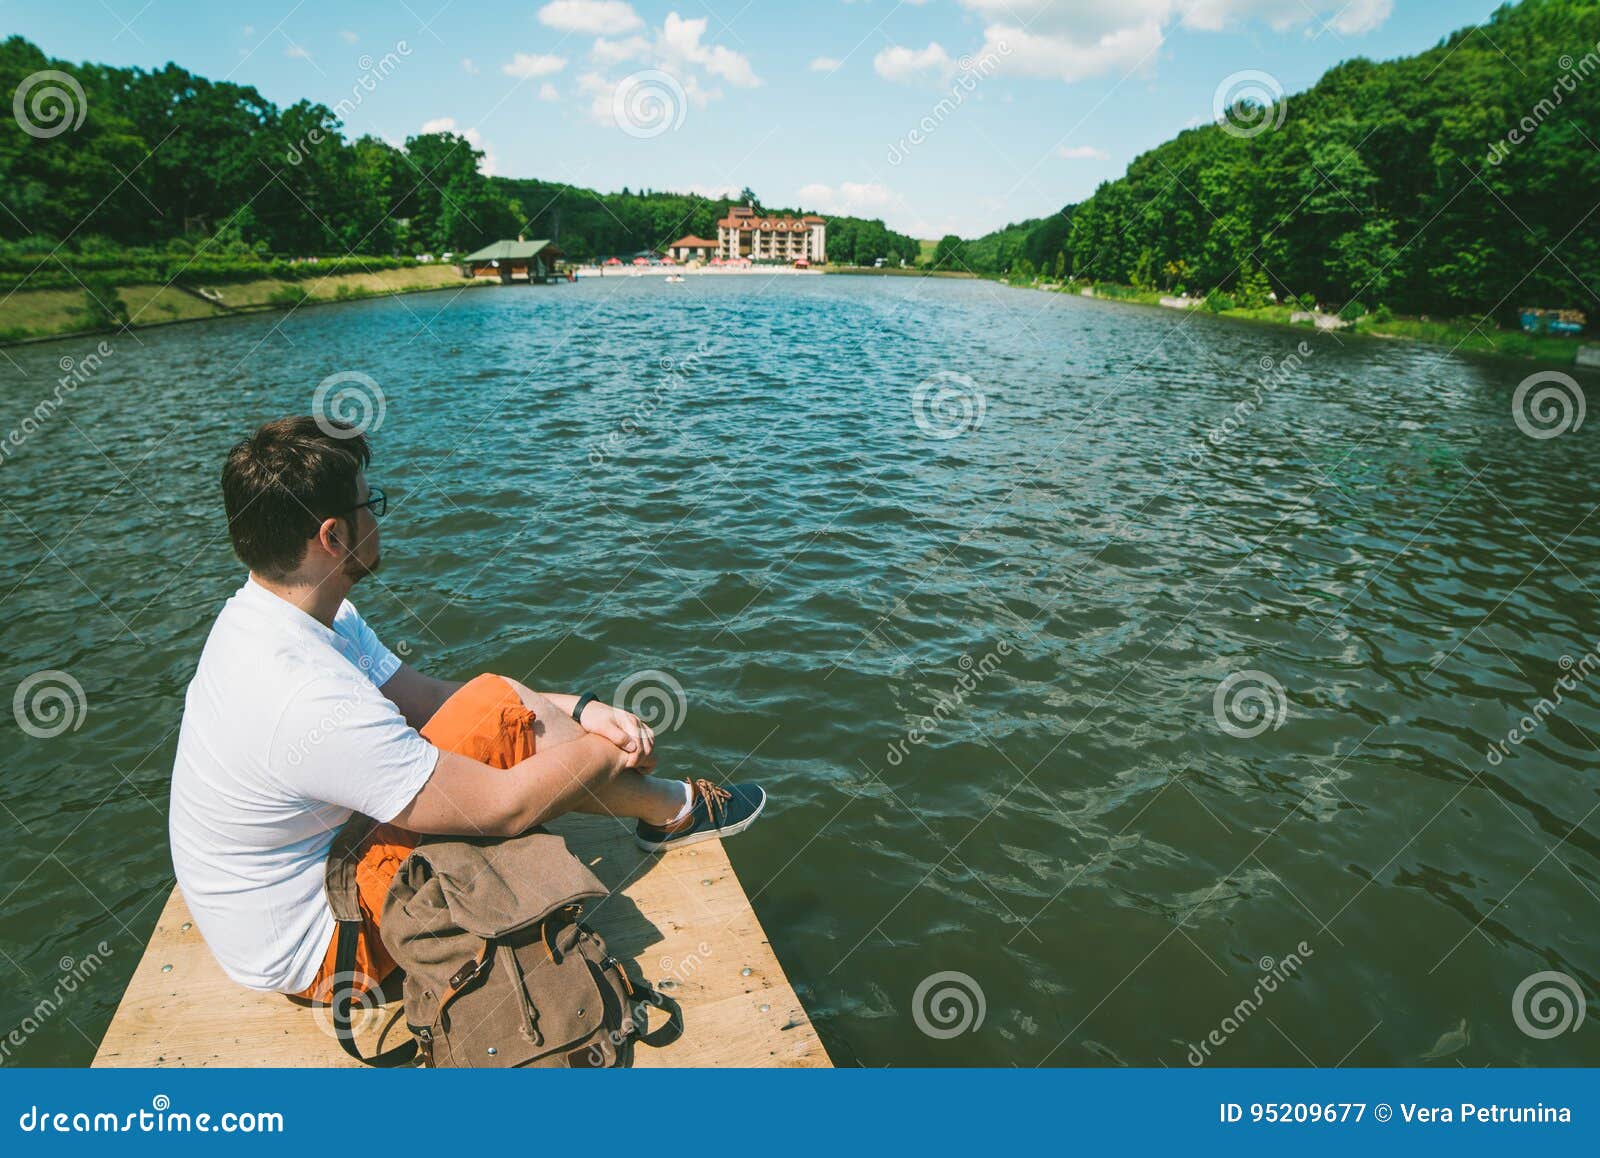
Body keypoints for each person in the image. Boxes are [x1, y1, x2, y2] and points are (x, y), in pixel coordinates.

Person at [168, 415, 764, 1000]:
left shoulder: (282, 615)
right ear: (332, 537)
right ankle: (674, 810)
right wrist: (602, 753)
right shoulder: (300, 692)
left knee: (494, 704)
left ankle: (670, 811)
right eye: (367, 502)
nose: (377, 515)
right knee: (501, 720)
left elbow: (426, 698)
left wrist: (578, 710)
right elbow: (504, 809)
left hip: (301, 880)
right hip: (327, 946)